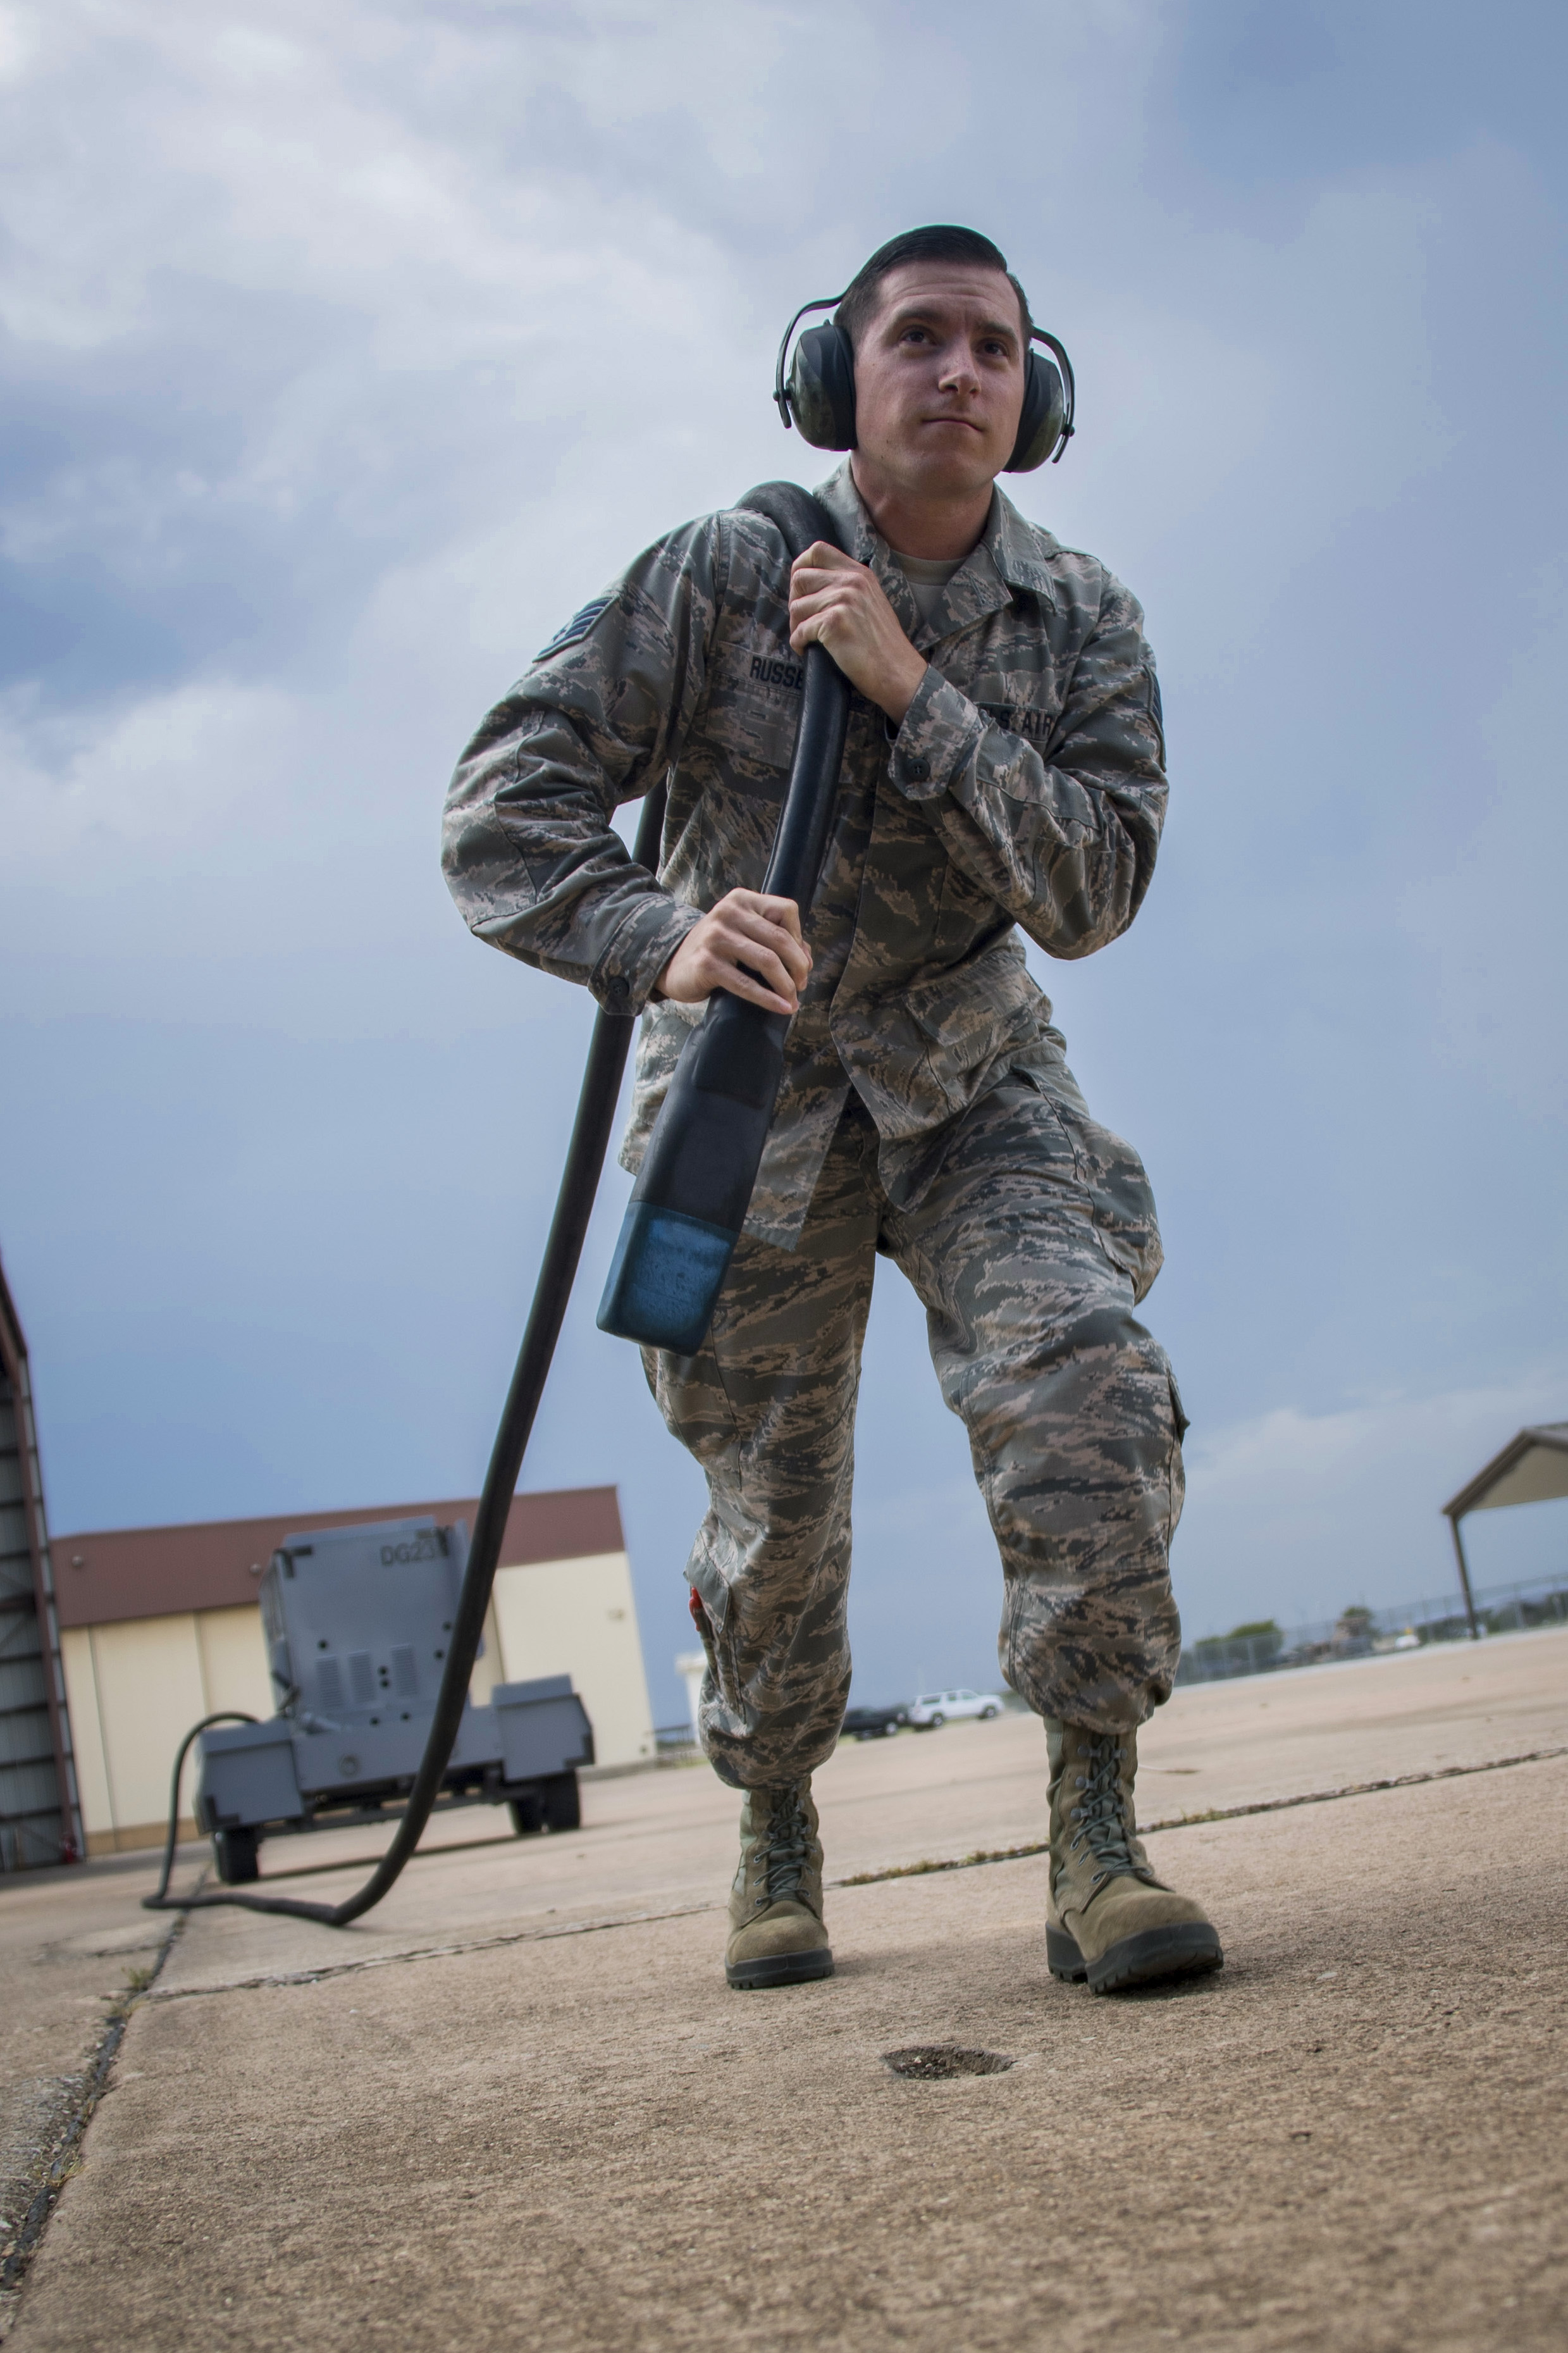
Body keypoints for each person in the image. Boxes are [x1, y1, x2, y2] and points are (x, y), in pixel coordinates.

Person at [443, 225, 1221, 1999]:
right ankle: (776, 1817)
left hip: (975, 1079)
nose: (959, 373)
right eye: (920, 341)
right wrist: (660, 934)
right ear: (836, 384)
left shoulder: (1081, 617)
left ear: (1034, 405)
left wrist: (910, 691)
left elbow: (1095, 887)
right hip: (753, 1097)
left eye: (996, 352)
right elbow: (502, 808)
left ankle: (1096, 1830)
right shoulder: (723, 574)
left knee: (1085, 1384)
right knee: (772, 1519)